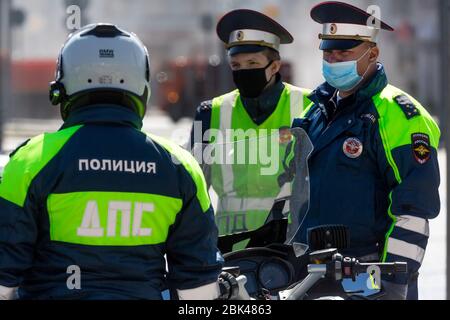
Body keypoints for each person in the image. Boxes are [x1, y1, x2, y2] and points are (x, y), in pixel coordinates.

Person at [0, 23, 223, 300]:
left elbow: (3, 280)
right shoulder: (180, 166)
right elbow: (198, 291)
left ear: (62, 87)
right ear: (141, 87)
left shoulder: (31, 161)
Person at [287, 1, 440, 300]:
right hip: (311, 277)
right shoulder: (314, 113)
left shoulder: (398, 114)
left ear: (373, 52)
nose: (333, 60)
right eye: (328, 53)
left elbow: (413, 210)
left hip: (369, 278)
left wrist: (392, 280)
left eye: (344, 53)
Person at [188, 9, 312, 242]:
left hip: (290, 250)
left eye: (253, 63)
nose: (244, 71)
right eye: (236, 66)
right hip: (230, 249)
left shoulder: (310, 106)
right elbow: (193, 190)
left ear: (275, 66)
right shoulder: (209, 114)